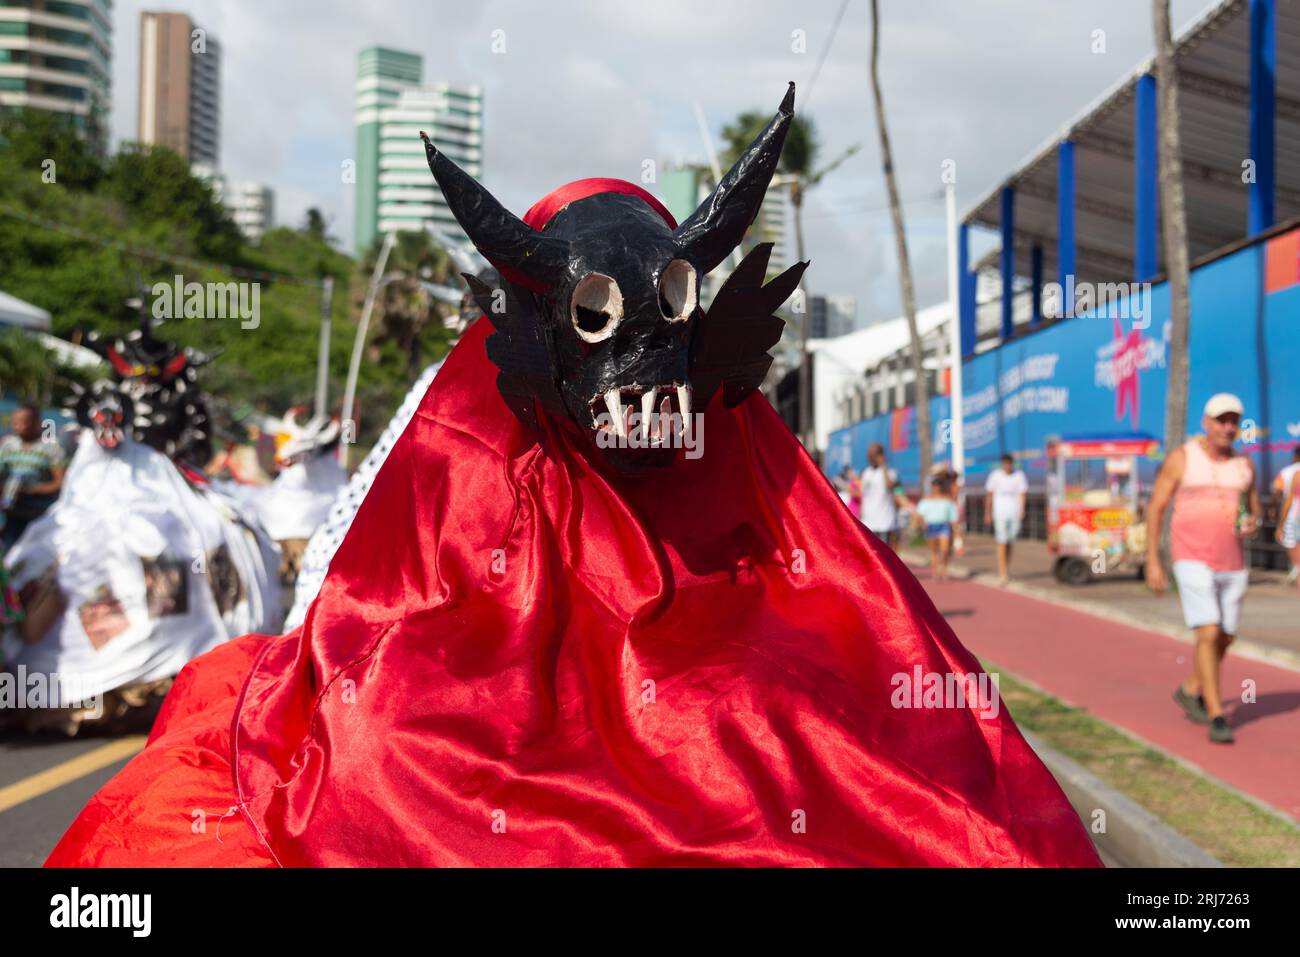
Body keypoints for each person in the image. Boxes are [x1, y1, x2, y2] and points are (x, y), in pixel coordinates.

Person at [47, 85, 1099, 867]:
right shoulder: (462, 432)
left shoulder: (747, 456)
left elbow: (859, 632)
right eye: (596, 318)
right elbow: (379, 610)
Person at [1146, 393, 1260, 745]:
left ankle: (1191, 687)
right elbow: (1157, 508)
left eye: (1233, 422)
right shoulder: (1183, 458)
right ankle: (1216, 714)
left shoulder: (1244, 465)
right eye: (1221, 421)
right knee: (1208, 633)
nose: (1228, 428)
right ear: (1206, 423)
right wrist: (1153, 559)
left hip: (1233, 563)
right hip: (1191, 558)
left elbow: (1252, 508)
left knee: (1225, 637)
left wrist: (1252, 522)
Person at [0, 402, 66, 553]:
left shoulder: (50, 447)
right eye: (15, 422)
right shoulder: (8, 445)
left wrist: (33, 490)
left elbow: (60, 482)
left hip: (38, 516)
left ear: (36, 422)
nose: (18, 426)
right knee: (10, 556)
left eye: (24, 422)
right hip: (12, 515)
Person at [984, 453, 1027, 585]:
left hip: (1013, 514)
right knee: (1002, 542)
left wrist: (1022, 510)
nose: (1007, 466)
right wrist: (988, 512)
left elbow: (1022, 494)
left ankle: (1006, 567)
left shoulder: (1019, 476)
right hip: (1000, 513)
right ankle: (1002, 572)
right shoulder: (995, 476)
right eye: (1005, 463)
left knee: (1010, 542)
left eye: (1009, 463)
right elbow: (990, 495)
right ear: (1002, 464)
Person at [860, 442, 907, 549]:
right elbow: (863, 495)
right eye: (869, 454)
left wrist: (883, 466)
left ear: (880, 455)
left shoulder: (890, 472)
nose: (870, 457)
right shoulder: (866, 472)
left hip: (884, 521)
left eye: (873, 454)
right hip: (868, 521)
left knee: (883, 552)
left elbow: (889, 486)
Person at [915, 477, 958, 581]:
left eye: (938, 485)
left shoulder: (948, 500)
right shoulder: (926, 500)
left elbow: (953, 517)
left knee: (945, 550)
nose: (936, 488)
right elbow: (918, 515)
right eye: (935, 486)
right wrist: (922, 523)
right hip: (931, 526)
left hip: (944, 525)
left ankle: (945, 569)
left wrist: (957, 531)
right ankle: (936, 572)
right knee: (934, 551)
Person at [1272, 447, 1300, 588]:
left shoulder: (1291, 472)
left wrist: (1274, 509)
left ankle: (1296, 569)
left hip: (1294, 514)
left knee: (1292, 543)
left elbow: (1279, 491)